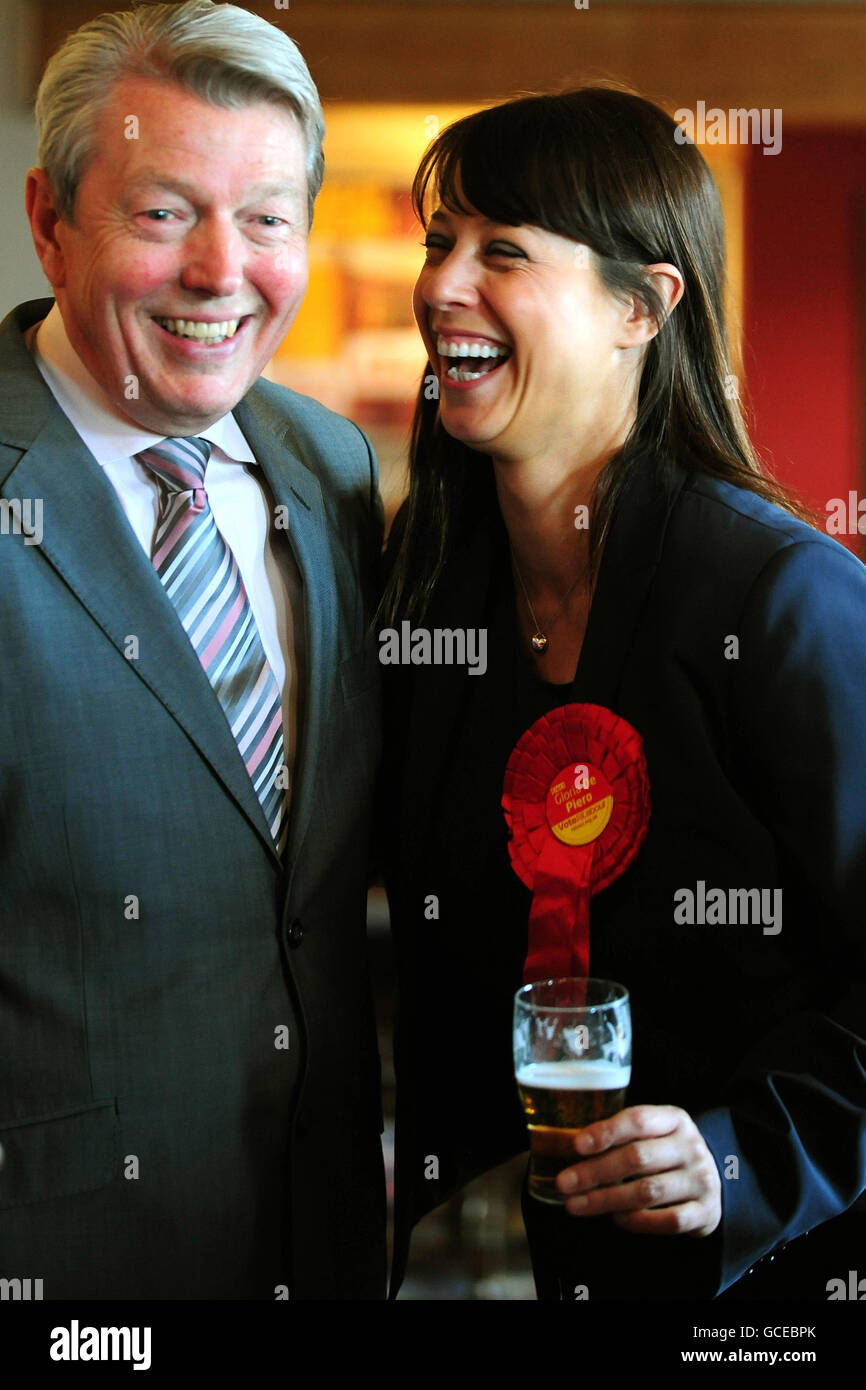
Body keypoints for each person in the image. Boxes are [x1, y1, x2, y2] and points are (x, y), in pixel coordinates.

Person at [380, 88, 866, 1301]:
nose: (441, 288)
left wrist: (738, 1157)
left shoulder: (781, 597)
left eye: (502, 251)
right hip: (505, 1263)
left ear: (641, 308)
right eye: (438, 242)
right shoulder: (424, 584)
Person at [0, 1, 384, 1300]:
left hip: (316, 1246)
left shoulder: (328, 467)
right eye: (165, 213)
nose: (224, 270)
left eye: (268, 218)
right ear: (51, 219)